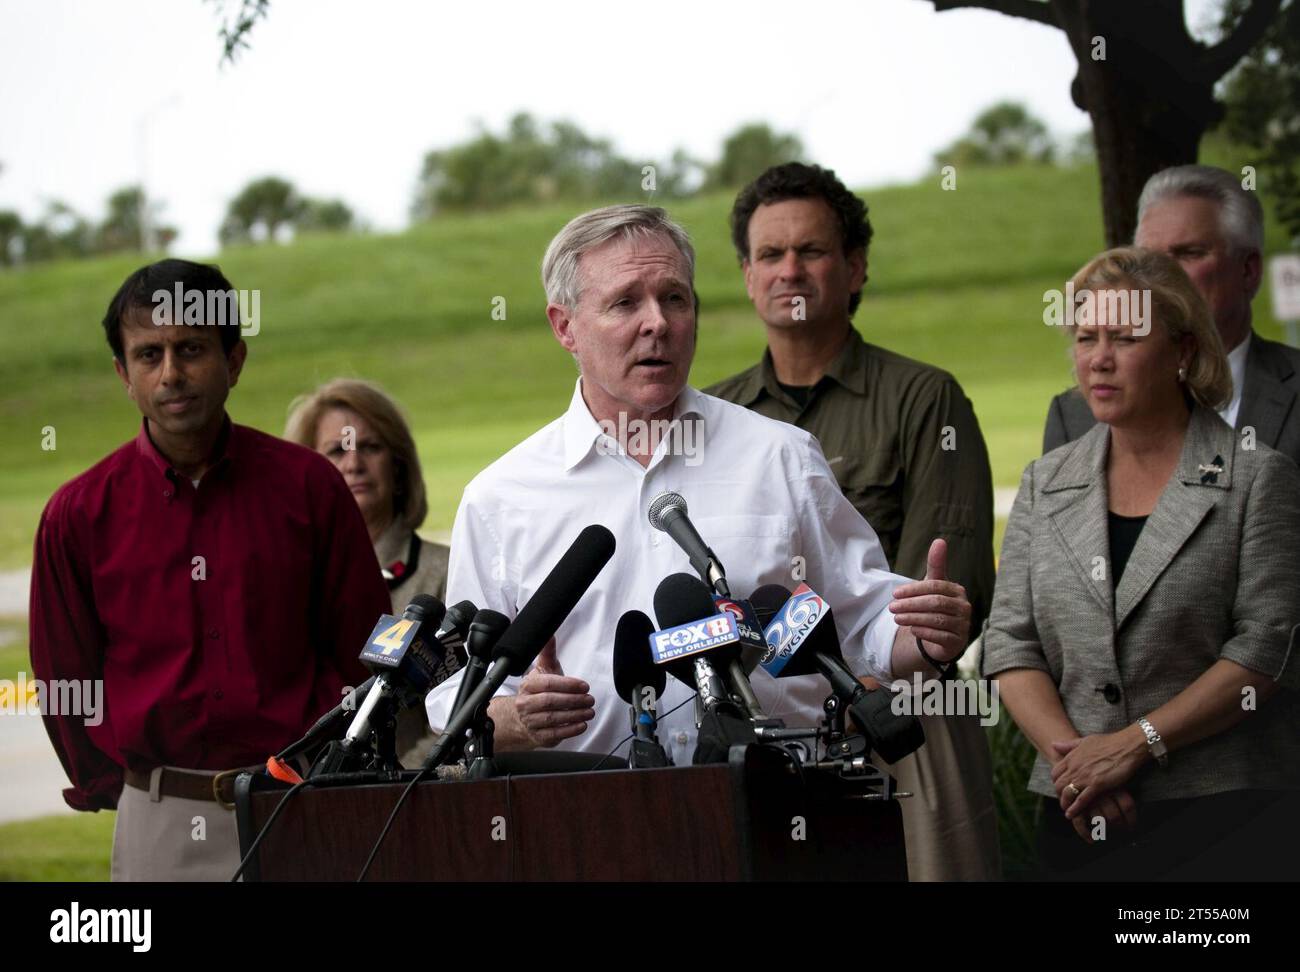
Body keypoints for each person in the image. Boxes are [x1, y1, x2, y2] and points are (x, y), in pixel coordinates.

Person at [425, 204, 973, 772]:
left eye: (675, 298)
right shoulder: (500, 498)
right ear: (565, 327)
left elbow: (866, 629)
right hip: (586, 819)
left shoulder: (781, 456)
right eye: (625, 302)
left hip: (776, 803)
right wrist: (517, 719)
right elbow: (448, 702)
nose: (657, 322)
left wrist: (927, 637)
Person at [28, 259, 390, 881]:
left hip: (301, 805)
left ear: (235, 360)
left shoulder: (309, 489)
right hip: (159, 822)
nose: (170, 374)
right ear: (123, 373)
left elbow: (364, 647)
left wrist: (327, 766)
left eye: (191, 349)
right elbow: (66, 678)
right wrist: (123, 789)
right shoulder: (77, 516)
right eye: (148, 355)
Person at [706, 162, 999, 881]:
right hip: (763, 723)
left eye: (812, 251)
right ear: (747, 276)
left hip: (904, 718)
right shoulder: (716, 419)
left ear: (856, 266)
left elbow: (947, 584)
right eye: (769, 255)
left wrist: (867, 668)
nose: (790, 270)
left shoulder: (925, 398)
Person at [984, 246, 1300, 880]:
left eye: (1125, 338)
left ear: (1183, 350)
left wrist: (1132, 748)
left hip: (1224, 819)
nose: (1098, 358)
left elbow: (1265, 650)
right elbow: (1009, 643)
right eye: (1085, 337)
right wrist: (1077, 763)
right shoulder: (1046, 482)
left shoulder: (1258, 478)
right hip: (1079, 814)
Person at [1043, 165, 1300, 465]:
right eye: (1147, 259)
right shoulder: (1074, 415)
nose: (1160, 278)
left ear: (1248, 270)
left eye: (1189, 253)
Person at [285, 378, 453, 765]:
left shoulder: (443, 573)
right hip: (293, 797)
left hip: (402, 799)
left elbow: (454, 715)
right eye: (336, 451)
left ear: (399, 467)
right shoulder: (289, 578)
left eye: (371, 447)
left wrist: (390, 784)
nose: (354, 463)